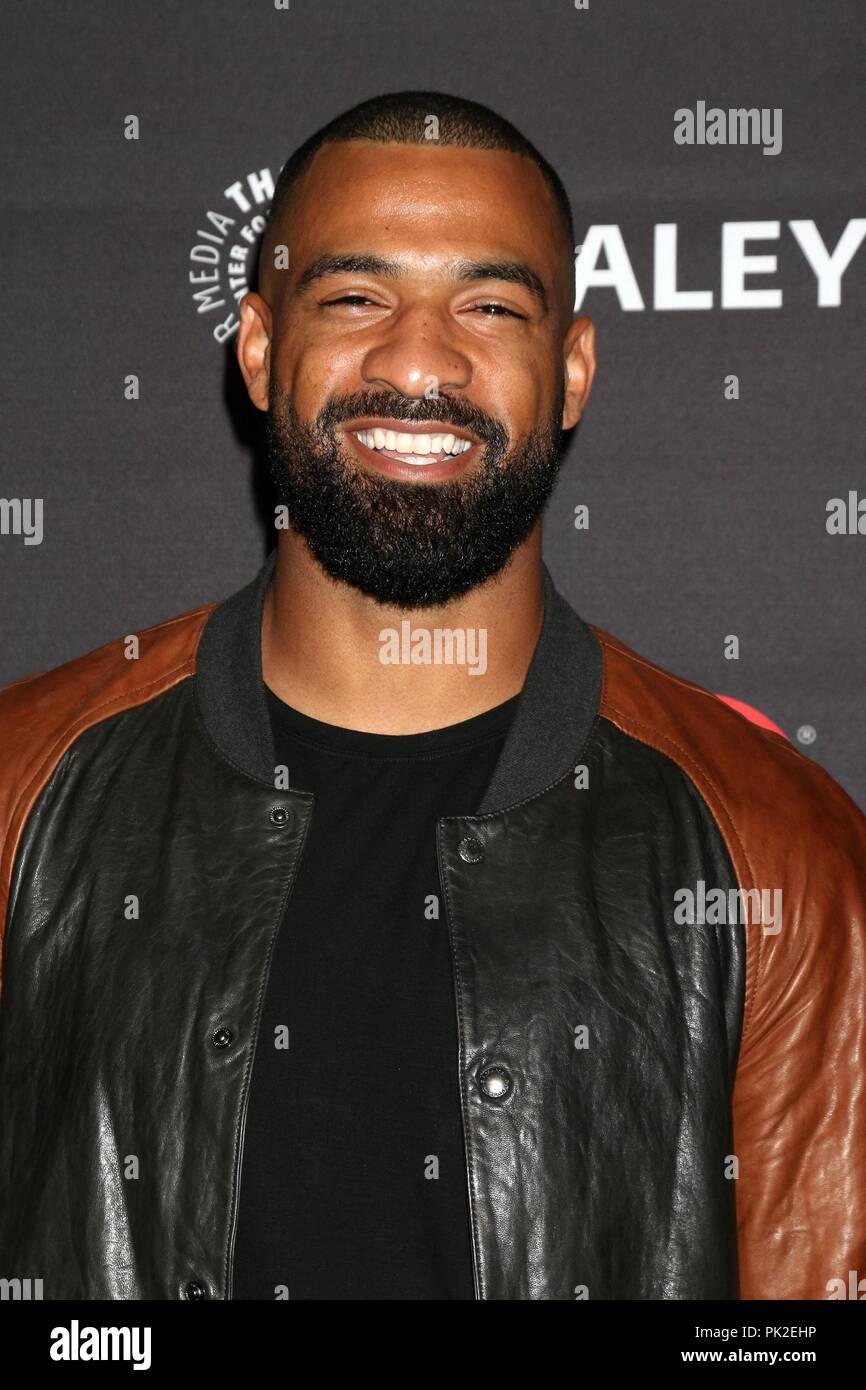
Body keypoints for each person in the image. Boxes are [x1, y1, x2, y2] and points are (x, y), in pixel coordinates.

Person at [0, 90, 863, 1302]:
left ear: (570, 372)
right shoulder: (21, 790)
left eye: (488, 306)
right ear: (258, 351)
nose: (417, 362)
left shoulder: (779, 849)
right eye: (355, 298)